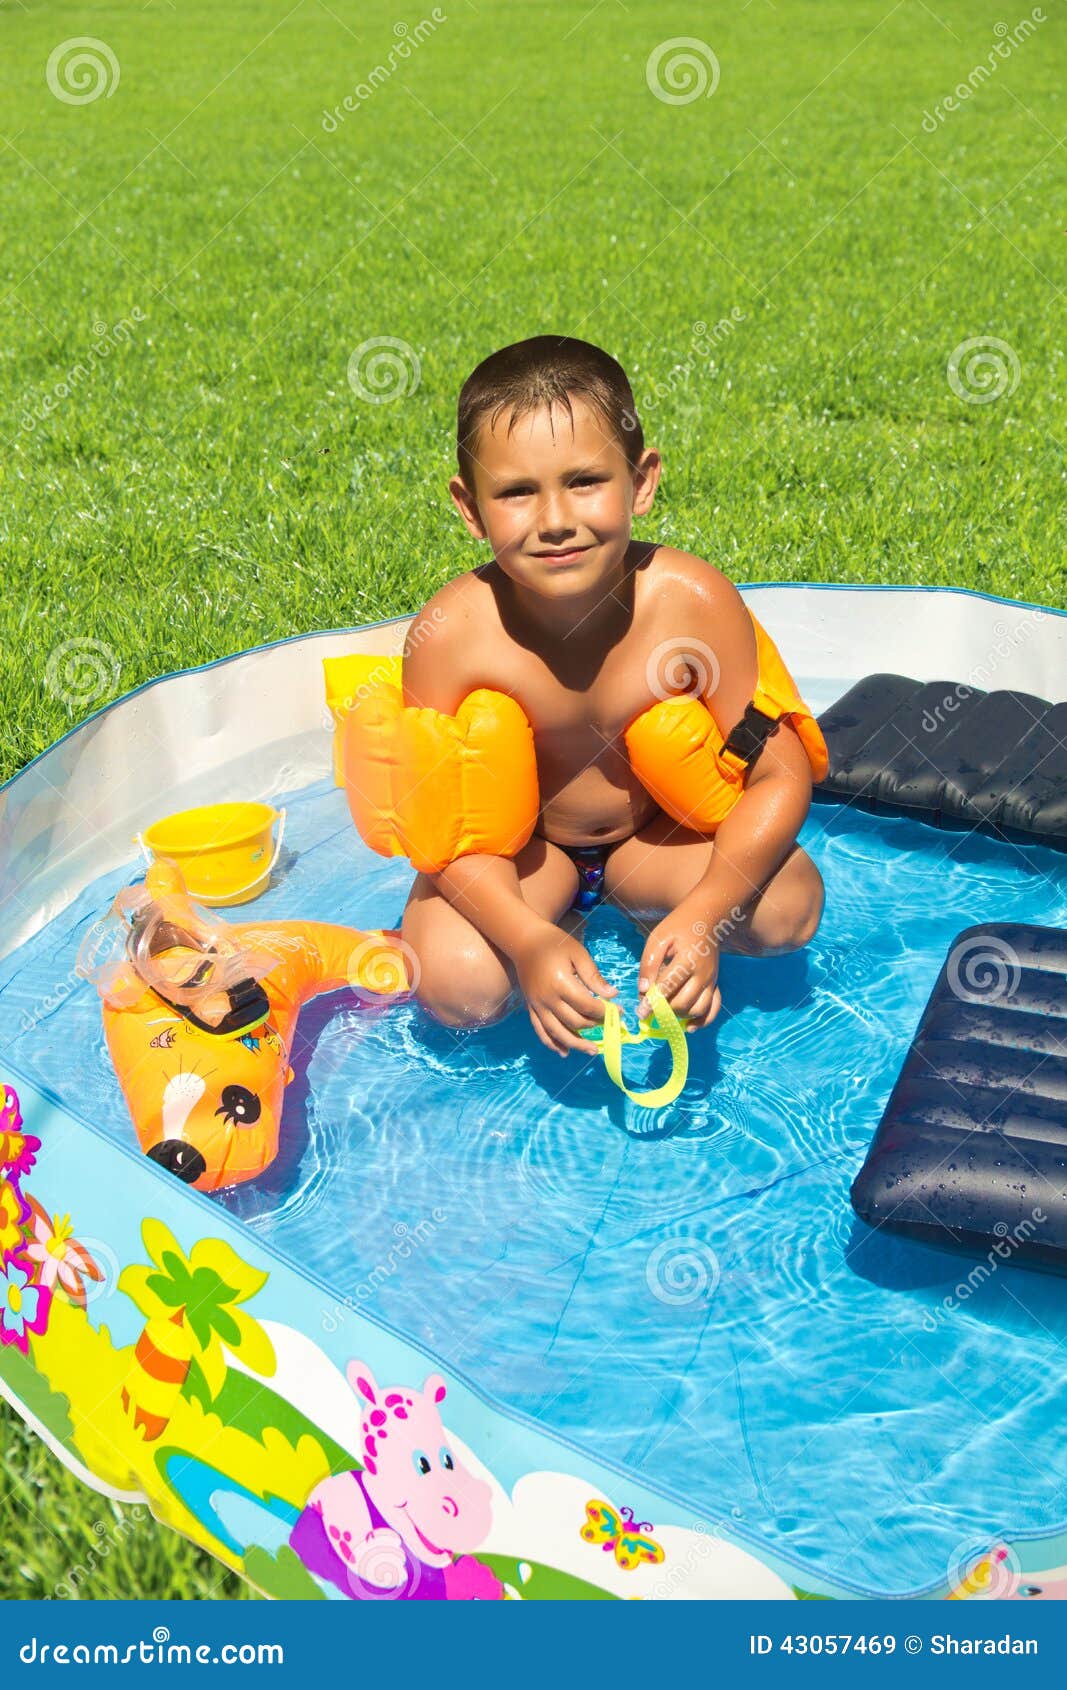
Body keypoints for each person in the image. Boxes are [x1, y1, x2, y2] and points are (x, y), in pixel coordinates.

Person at [399, 335, 825, 1057]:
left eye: (585, 481)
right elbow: (439, 838)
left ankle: (643, 913)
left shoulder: (691, 602)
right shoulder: (448, 638)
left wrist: (702, 917)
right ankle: (557, 932)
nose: (555, 519)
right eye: (516, 492)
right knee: (460, 986)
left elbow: (780, 773)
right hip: (524, 861)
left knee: (786, 905)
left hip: (651, 845)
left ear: (642, 481)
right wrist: (528, 941)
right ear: (470, 509)